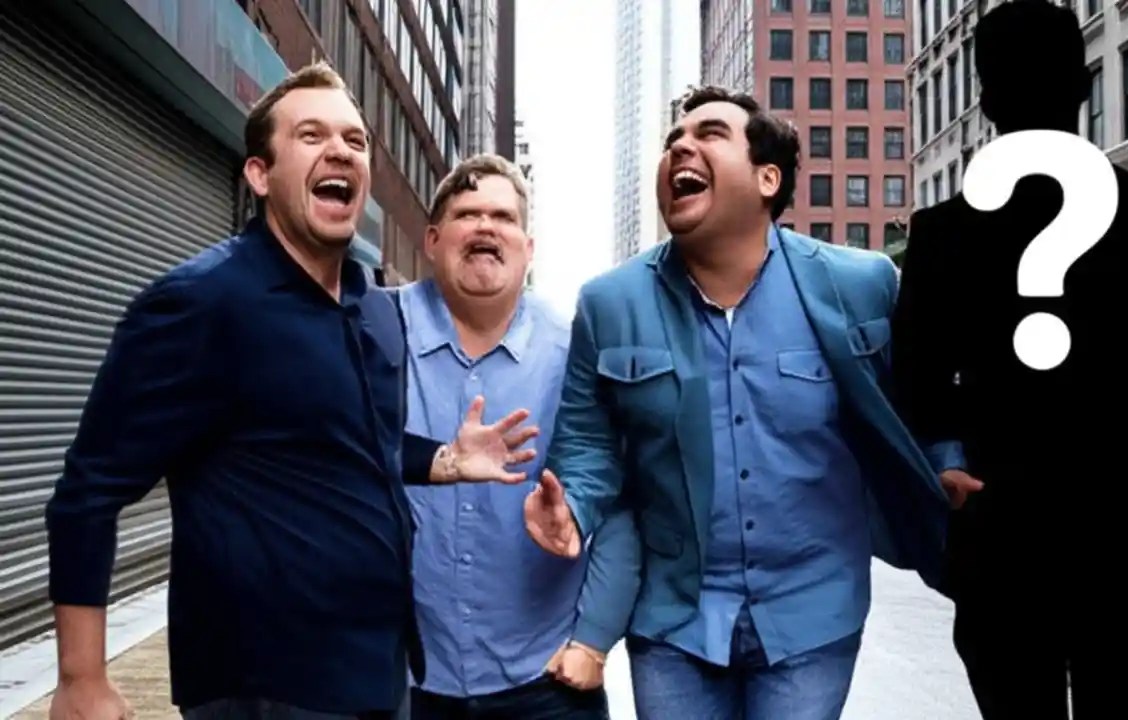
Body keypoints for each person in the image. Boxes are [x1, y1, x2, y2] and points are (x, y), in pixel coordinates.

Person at [42, 62, 535, 720]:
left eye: (355, 141)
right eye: (311, 135)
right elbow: (87, 491)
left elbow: (349, 443)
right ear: (259, 174)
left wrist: (443, 460)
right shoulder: (203, 302)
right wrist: (82, 677)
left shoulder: (373, 308)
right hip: (263, 686)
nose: (340, 151)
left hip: (379, 672)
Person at [524, 85, 972, 720]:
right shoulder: (609, 304)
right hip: (673, 622)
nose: (680, 145)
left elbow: (920, 391)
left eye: (708, 133)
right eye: (672, 142)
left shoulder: (861, 286)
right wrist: (571, 502)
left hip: (814, 611)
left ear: (768, 178)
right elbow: (589, 445)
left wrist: (944, 457)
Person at [890, 3, 1128, 718]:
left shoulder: (942, 235)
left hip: (1003, 548)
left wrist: (996, 413)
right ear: (1083, 86)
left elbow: (917, 392)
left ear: (984, 100)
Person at [395, 153, 640, 719]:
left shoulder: (580, 352)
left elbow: (621, 505)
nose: (485, 226)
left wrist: (594, 640)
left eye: (504, 217)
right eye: (468, 213)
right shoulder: (374, 335)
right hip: (401, 683)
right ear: (432, 239)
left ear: (529, 249)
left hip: (547, 683)